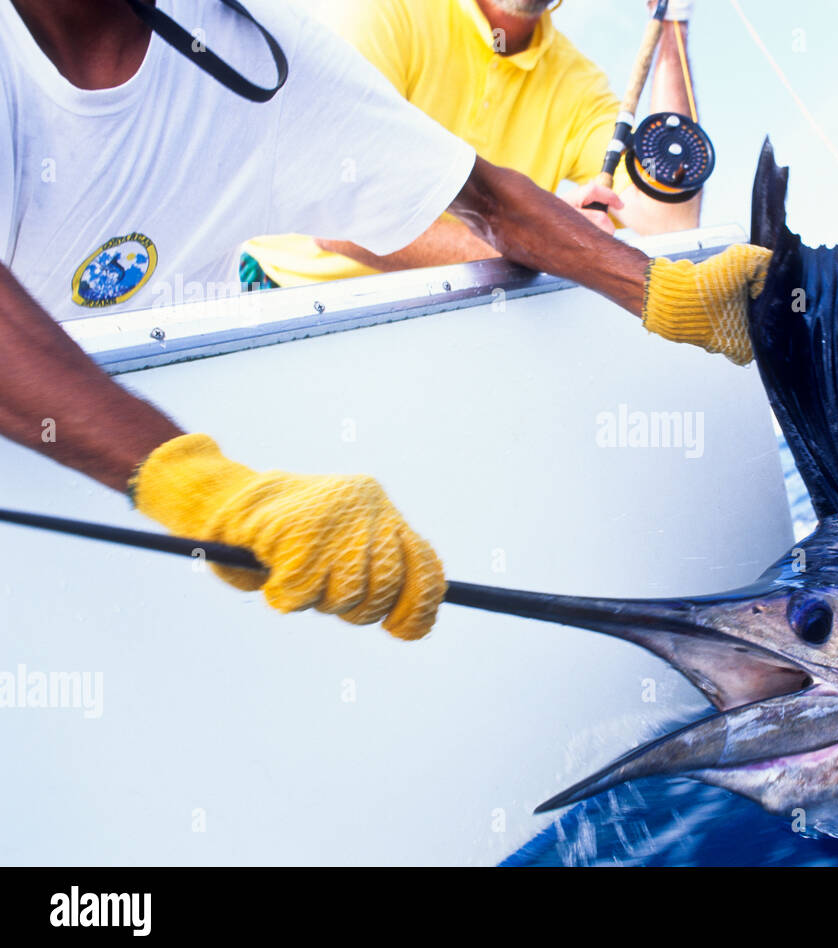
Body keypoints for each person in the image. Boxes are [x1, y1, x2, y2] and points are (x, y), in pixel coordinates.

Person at [0, 0, 770, 643]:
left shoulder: (264, 48)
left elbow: (483, 198)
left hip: (160, 417)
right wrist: (199, 488)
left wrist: (661, 292)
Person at [243, 0, 702, 288]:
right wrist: (547, 238)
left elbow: (670, 221)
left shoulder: (578, 85)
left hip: (447, 319)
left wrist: (673, 26)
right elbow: (339, 218)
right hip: (282, 297)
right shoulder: (385, 9)